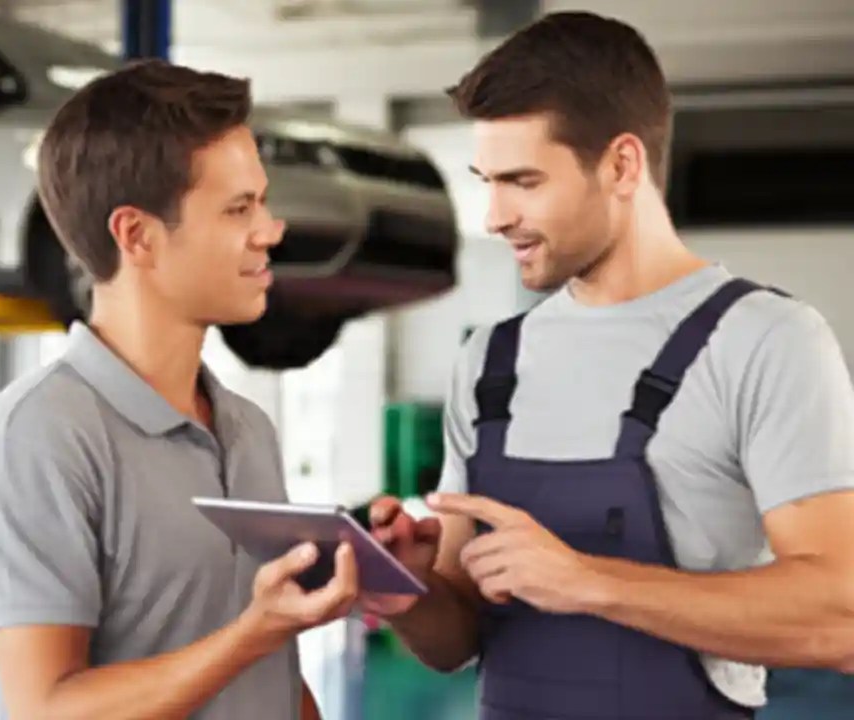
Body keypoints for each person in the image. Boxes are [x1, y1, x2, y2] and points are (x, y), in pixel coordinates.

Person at [363, 11, 854, 720]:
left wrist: (587, 581)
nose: (494, 217)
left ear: (622, 165)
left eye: (523, 181)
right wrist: (410, 592)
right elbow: (457, 640)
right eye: (486, 181)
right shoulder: (490, 361)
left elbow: (840, 619)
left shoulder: (766, 341)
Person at [0, 58, 358, 720]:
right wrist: (253, 632)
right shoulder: (35, 441)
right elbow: (47, 709)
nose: (269, 230)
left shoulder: (248, 428)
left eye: (262, 201)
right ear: (137, 235)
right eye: (238, 208)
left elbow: (270, 679)